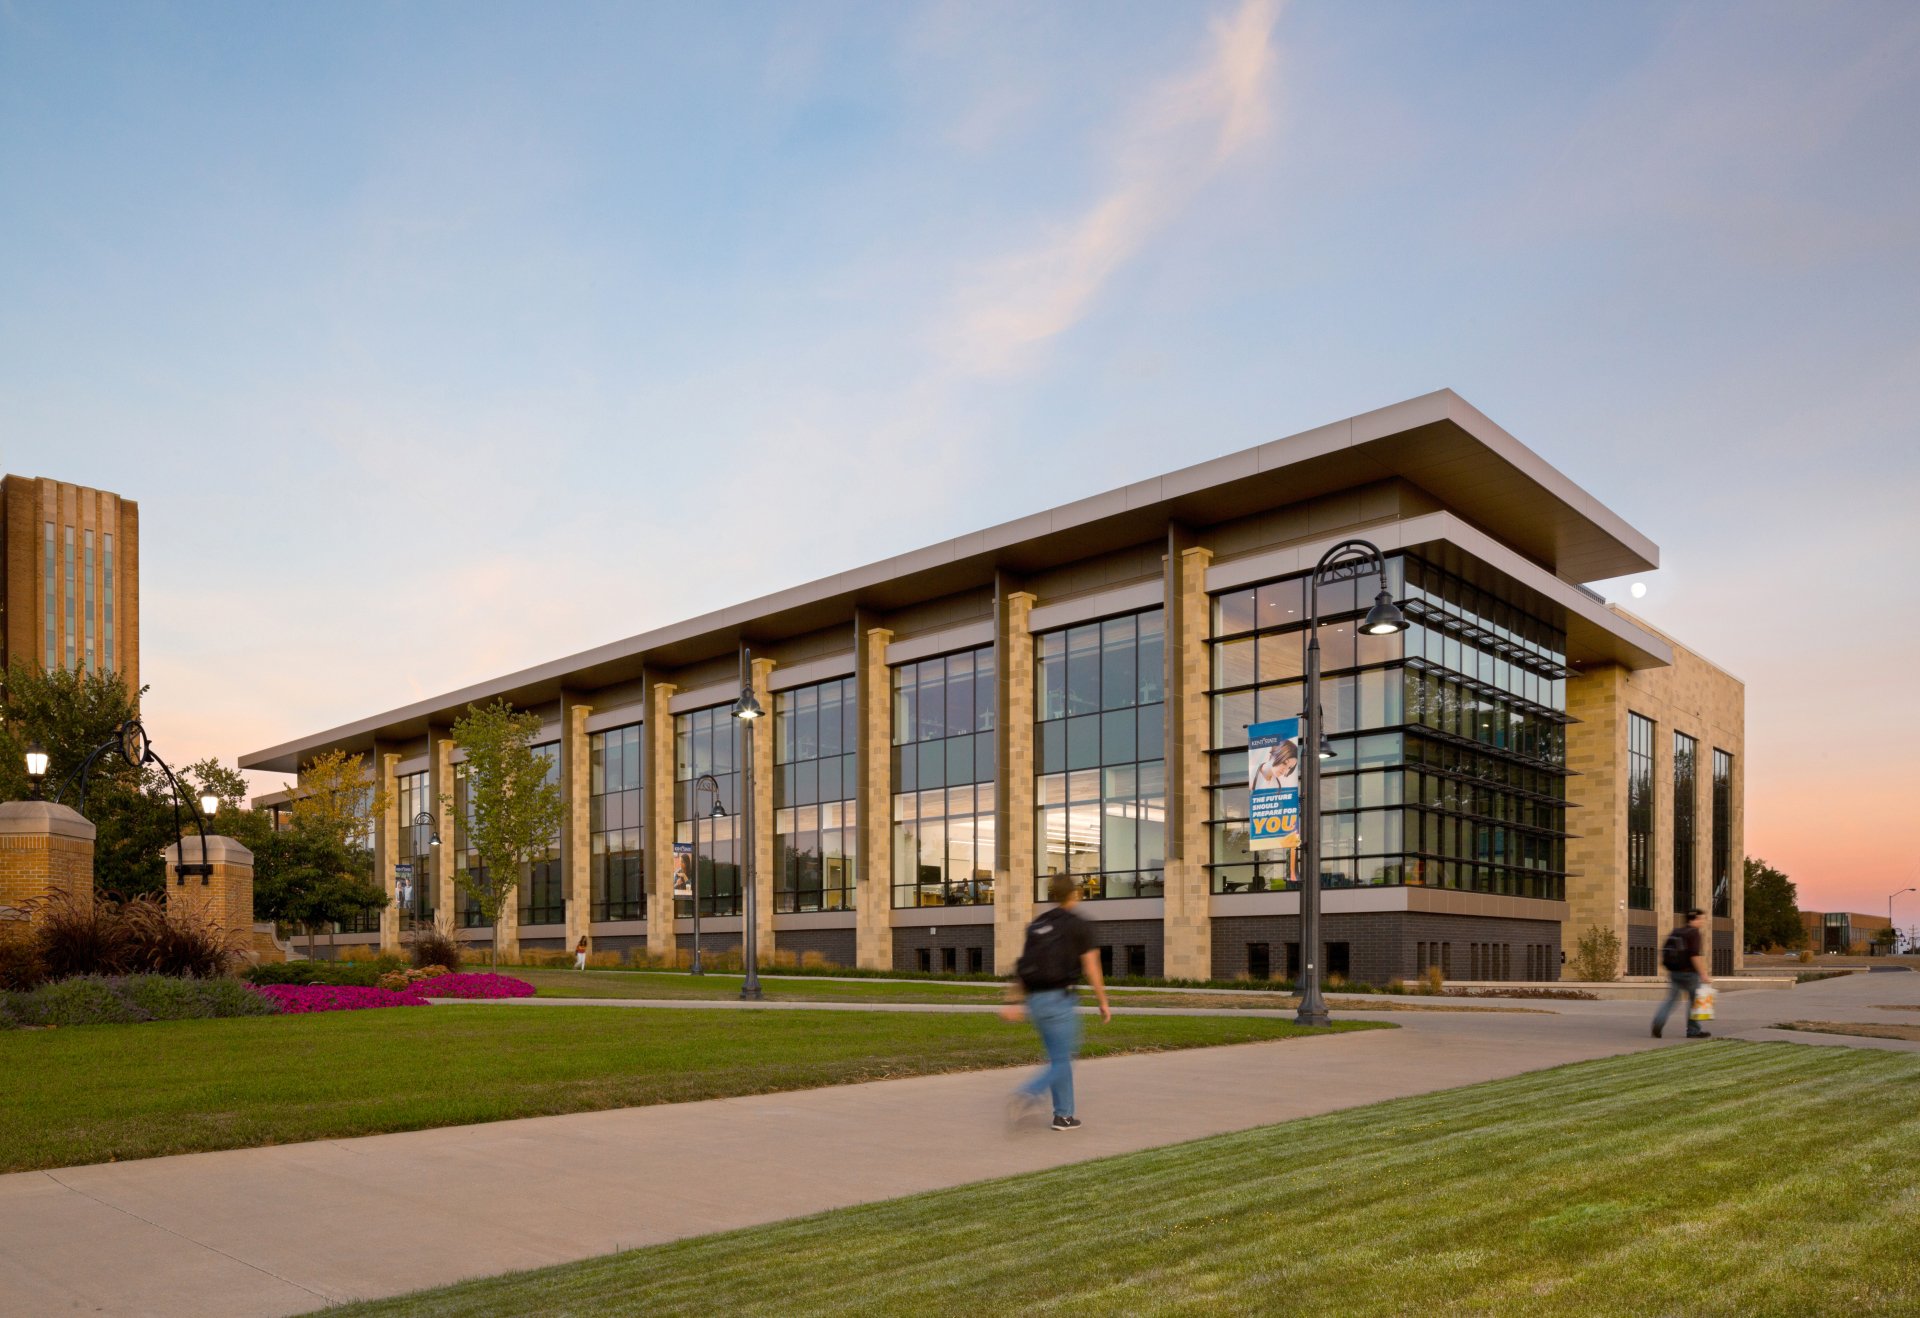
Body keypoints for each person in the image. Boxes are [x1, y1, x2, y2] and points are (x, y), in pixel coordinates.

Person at [1003, 875, 1112, 1131]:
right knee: (1063, 1060)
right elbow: (1091, 966)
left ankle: (1063, 1116)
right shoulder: (1078, 925)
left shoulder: (1038, 924)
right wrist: (1103, 1001)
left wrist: (1014, 1001)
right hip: (1059, 1000)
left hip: (1035, 1002)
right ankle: (1028, 1092)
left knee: (1058, 1059)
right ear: (1074, 894)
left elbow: (1024, 965)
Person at [1652, 907, 1712, 1039]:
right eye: (1701, 919)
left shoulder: (1677, 931)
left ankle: (1658, 1022)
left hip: (1674, 972)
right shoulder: (1694, 933)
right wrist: (1703, 974)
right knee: (1694, 1002)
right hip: (1689, 973)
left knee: (1671, 1000)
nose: (1703, 922)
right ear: (1694, 919)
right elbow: (1694, 955)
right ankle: (1693, 1031)